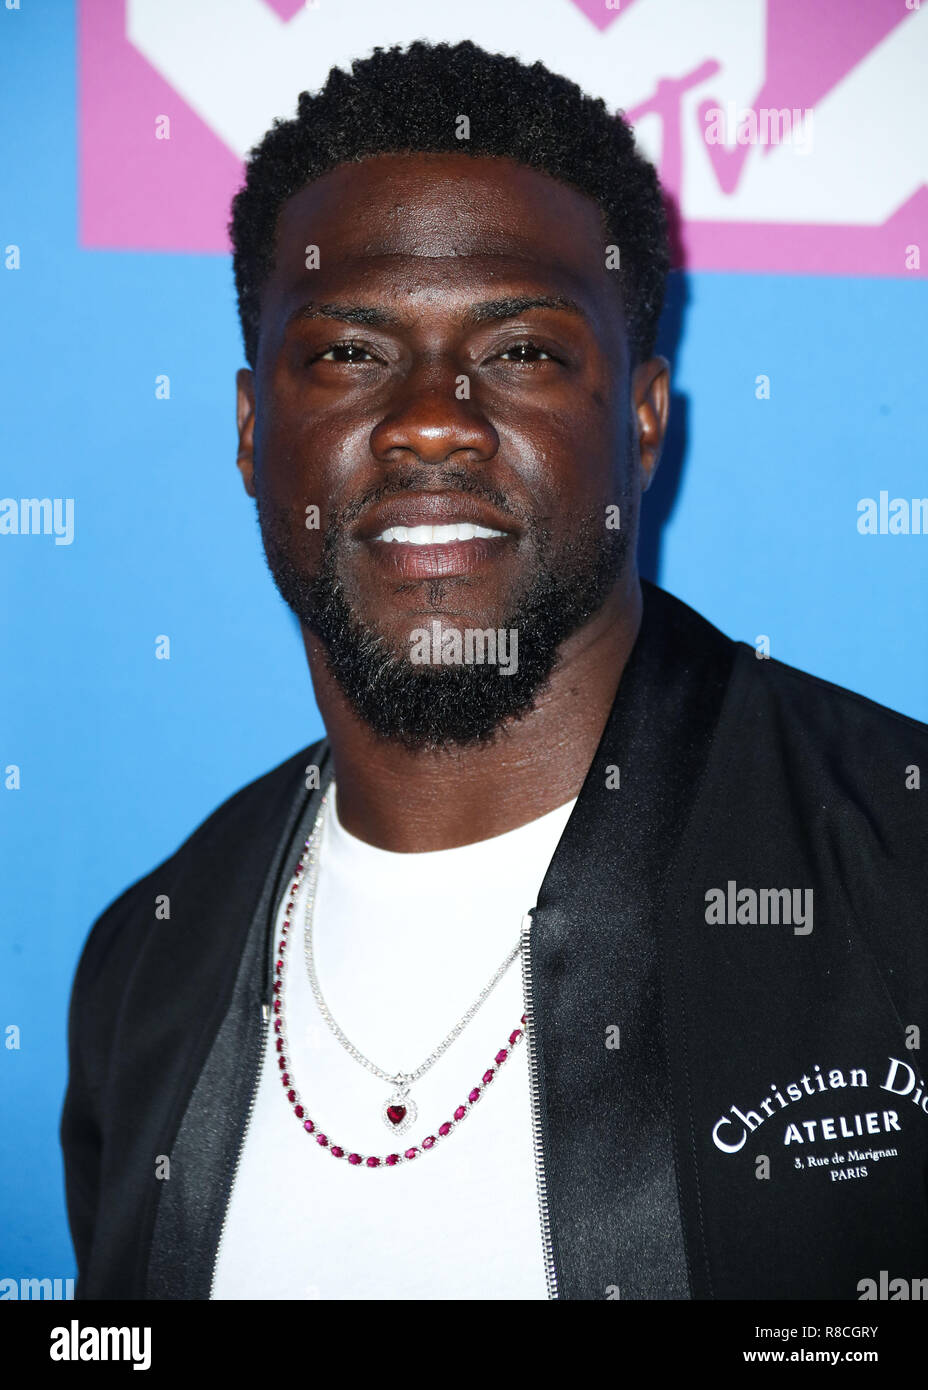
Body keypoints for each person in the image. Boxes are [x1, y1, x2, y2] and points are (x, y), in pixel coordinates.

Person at [61, 39, 928, 1301]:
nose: (430, 415)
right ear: (253, 432)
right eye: (350, 353)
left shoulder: (898, 867)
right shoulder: (148, 959)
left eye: (520, 350)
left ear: (640, 413)